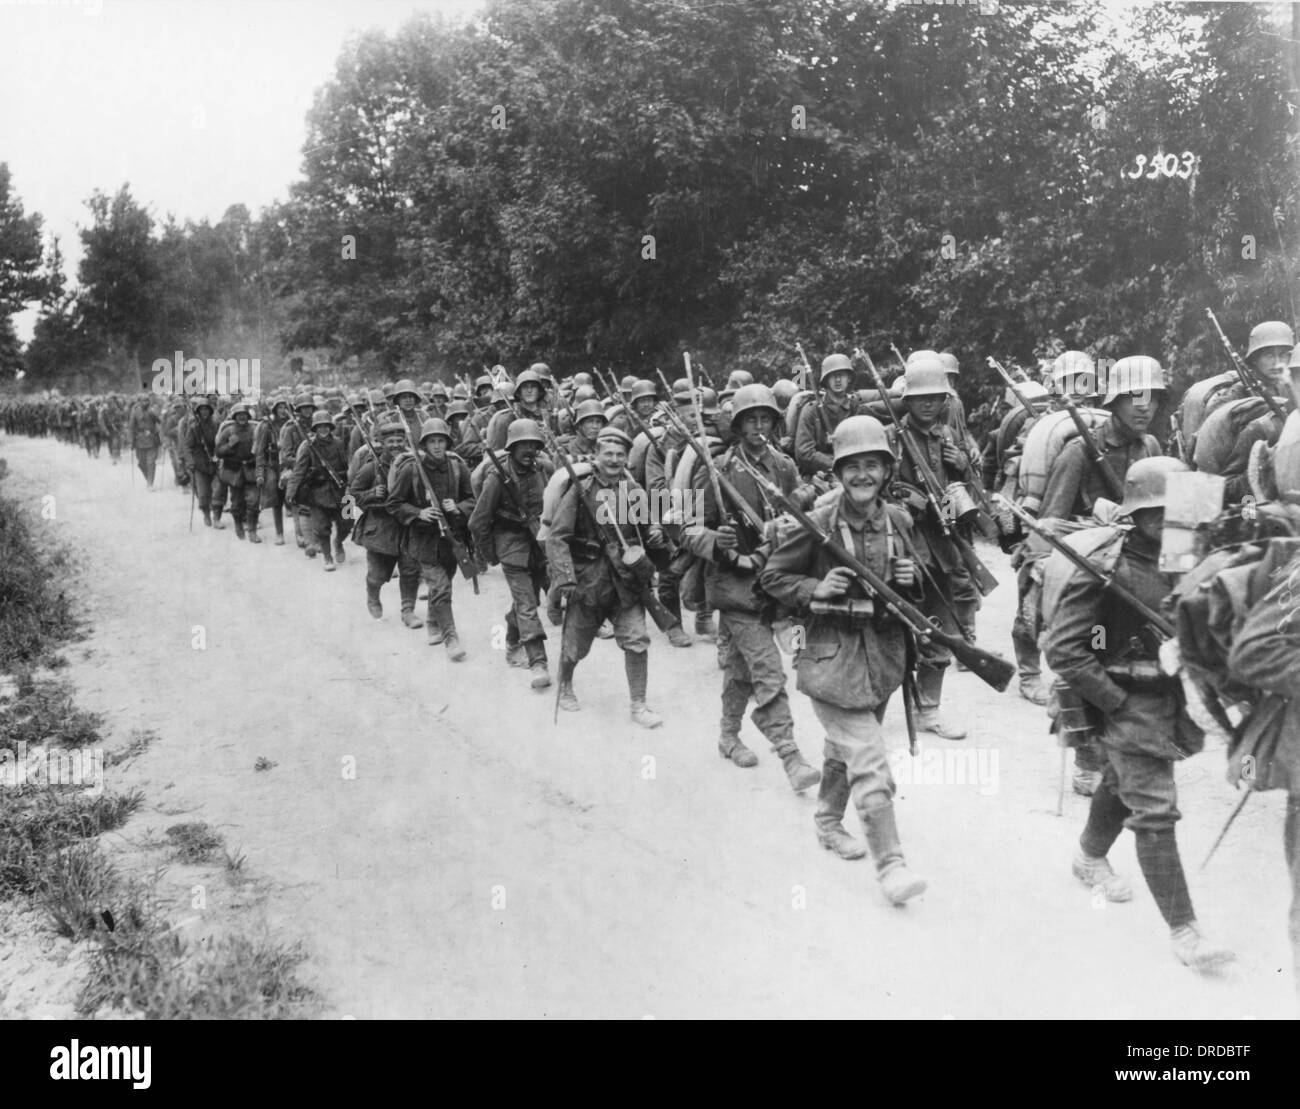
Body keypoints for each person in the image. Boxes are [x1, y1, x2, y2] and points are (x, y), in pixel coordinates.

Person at [1043, 457, 1234, 971]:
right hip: (1124, 698)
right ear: (1136, 512)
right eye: (1156, 510)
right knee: (1153, 806)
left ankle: (1087, 856)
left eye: (1178, 509)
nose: (1168, 518)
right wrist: (1117, 703)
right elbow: (1066, 651)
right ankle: (1186, 931)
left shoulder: (1190, 554)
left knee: (1120, 780)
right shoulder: (1105, 569)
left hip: (1174, 698)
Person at [760, 415, 928, 902]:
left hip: (882, 659)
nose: (862, 476)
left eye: (872, 466)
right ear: (837, 471)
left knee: (845, 749)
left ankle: (828, 822)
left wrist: (908, 574)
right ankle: (892, 868)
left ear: (886, 471)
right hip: (830, 660)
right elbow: (772, 578)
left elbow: (918, 580)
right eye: (852, 466)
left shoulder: (896, 519)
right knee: (870, 760)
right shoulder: (817, 525)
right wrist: (816, 587)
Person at [682, 384, 821, 791]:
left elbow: (802, 520)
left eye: (766, 419)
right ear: (738, 425)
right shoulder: (718, 468)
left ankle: (727, 736)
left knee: (742, 672)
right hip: (737, 587)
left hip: (778, 586)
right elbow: (687, 526)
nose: (759, 427)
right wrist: (716, 543)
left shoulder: (784, 466)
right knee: (768, 671)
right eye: (751, 420)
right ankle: (791, 755)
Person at [546, 426, 666, 727]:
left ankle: (638, 704)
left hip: (626, 580)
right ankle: (565, 685)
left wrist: (654, 533)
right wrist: (566, 579)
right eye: (608, 453)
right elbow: (557, 537)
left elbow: (646, 526)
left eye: (620, 454)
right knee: (576, 644)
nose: (614, 459)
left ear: (627, 458)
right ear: (596, 455)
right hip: (589, 580)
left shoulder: (632, 489)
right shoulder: (581, 489)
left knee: (637, 639)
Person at [885, 355, 977, 739]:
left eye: (936, 397)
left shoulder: (948, 438)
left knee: (942, 627)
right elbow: (877, 491)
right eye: (921, 397)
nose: (928, 404)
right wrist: (908, 499)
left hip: (944, 546)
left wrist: (963, 466)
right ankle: (871, 709)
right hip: (906, 546)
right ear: (908, 399)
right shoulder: (892, 438)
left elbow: (970, 495)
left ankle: (930, 709)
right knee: (897, 629)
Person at [470, 419, 554, 689]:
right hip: (512, 546)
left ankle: (511, 635)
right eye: (523, 445)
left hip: (539, 542)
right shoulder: (497, 477)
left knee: (527, 601)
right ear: (512, 447)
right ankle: (538, 662)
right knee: (528, 605)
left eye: (534, 444)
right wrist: (491, 555)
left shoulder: (543, 469)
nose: (529, 450)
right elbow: (478, 521)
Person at [385, 418, 476, 659]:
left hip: (452, 539)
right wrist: (418, 513)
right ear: (424, 444)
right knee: (441, 587)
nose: (437, 446)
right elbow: (393, 503)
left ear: (447, 442)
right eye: (431, 441)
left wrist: (457, 507)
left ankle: (433, 621)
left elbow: (472, 500)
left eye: (441, 441)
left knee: (445, 584)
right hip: (424, 540)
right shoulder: (412, 469)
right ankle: (451, 638)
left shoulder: (458, 467)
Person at [350, 412, 423, 628]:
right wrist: (372, 493)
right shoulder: (371, 467)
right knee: (378, 574)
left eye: (399, 441)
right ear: (382, 443)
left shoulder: (413, 462)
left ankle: (408, 611)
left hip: (408, 525)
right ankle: (372, 594)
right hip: (381, 527)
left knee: (410, 570)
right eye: (390, 441)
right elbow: (351, 494)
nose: (395, 445)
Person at [287, 409, 352, 571]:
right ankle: (327, 556)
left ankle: (338, 542)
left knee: (348, 521)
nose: (323, 430)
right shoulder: (307, 446)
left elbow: (348, 465)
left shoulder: (338, 443)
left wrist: (349, 482)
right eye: (319, 427)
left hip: (340, 490)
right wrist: (291, 491)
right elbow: (299, 470)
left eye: (326, 426)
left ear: (330, 427)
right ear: (314, 428)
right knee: (322, 528)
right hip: (318, 492)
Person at [793, 353, 861, 479]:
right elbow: (804, 454)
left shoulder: (855, 407)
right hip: (820, 474)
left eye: (842, 375)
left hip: (855, 470)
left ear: (849, 378)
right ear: (826, 379)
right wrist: (837, 464)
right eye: (833, 376)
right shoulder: (811, 410)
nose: (838, 380)